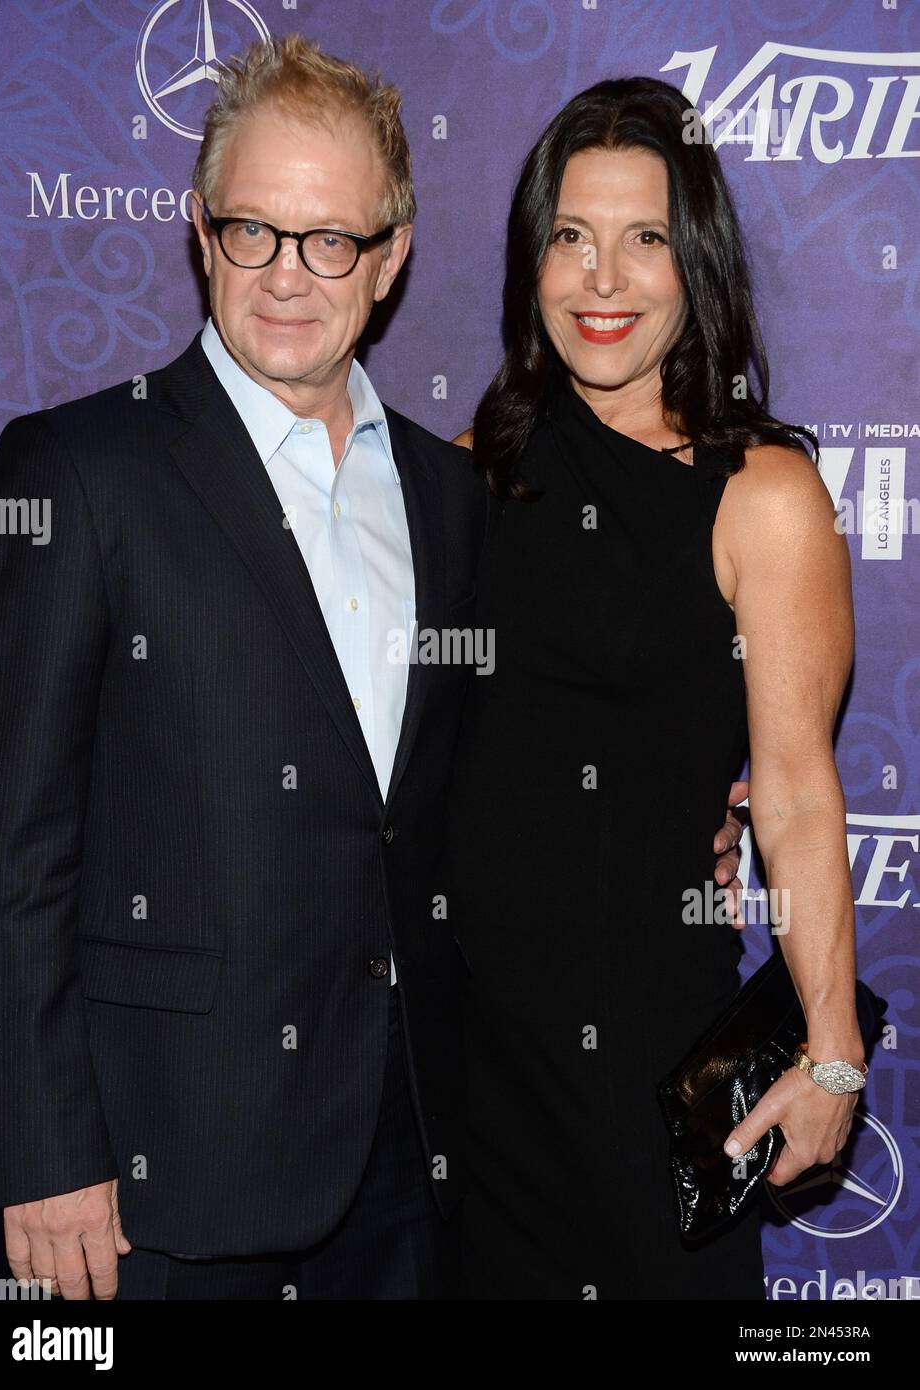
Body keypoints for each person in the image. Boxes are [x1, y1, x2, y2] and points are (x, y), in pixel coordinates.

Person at [0, 39, 745, 1302]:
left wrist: (689, 821)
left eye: (329, 240)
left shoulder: (459, 493)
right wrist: (45, 1157)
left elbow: (535, 735)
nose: (287, 275)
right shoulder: (79, 472)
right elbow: (3, 842)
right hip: (165, 1179)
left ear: (386, 261)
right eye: (254, 231)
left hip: (424, 1164)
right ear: (199, 234)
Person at [448, 76, 863, 1300]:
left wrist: (833, 1056)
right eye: (570, 239)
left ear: (697, 261)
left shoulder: (762, 497)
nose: (603, 280)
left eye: (644, 240)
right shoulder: (468, 478)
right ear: (533, 263)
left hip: (645, 1061)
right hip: (465, 1068)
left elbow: (792, 790)